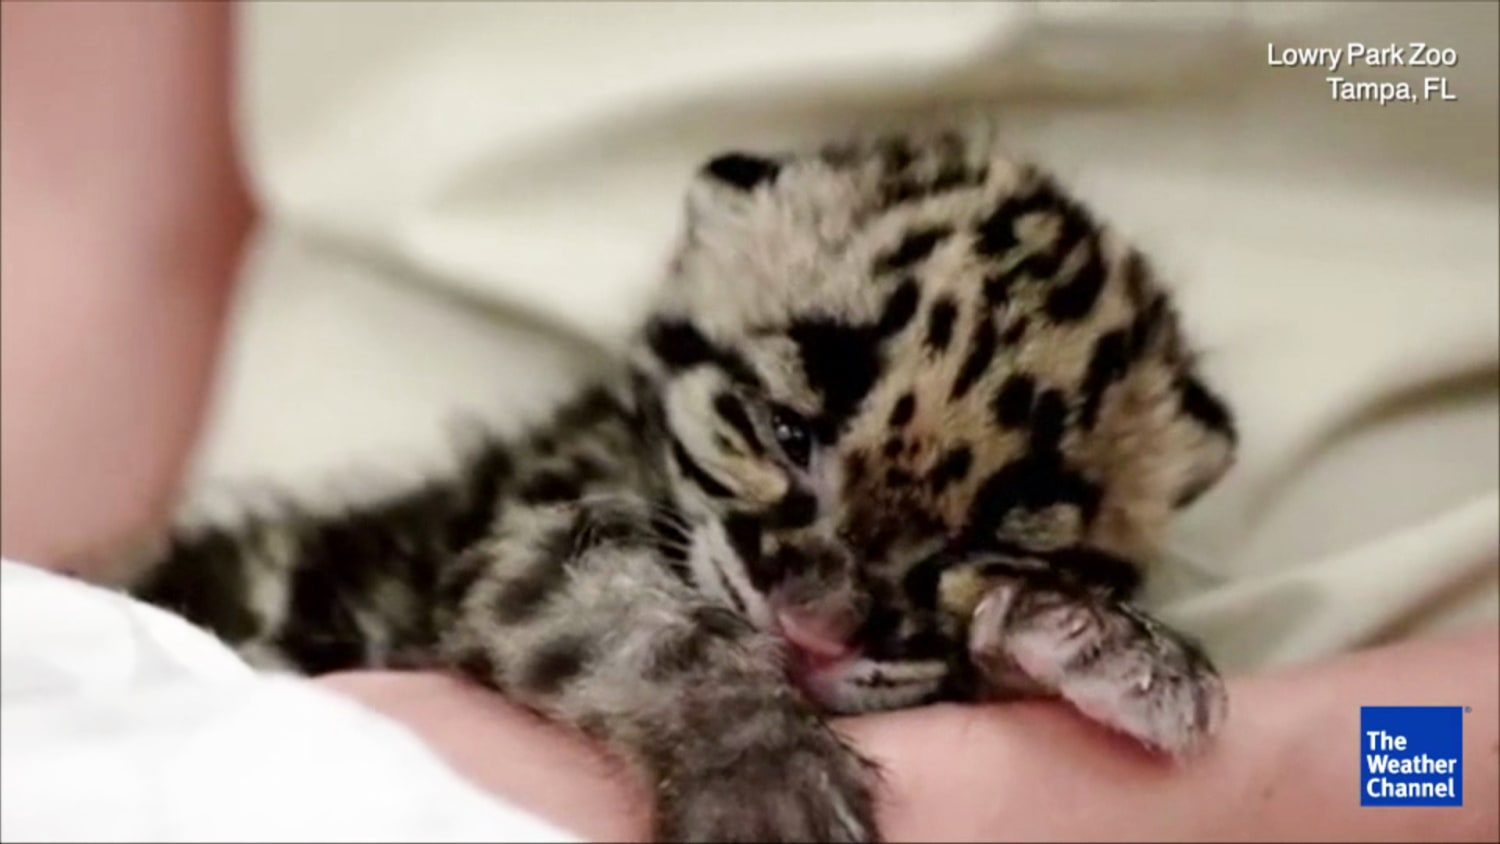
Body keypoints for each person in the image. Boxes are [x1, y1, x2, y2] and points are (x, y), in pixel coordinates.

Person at [2, 3, 1495, 842]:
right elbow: (85, 223)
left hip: (1353, 767)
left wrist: (1237, 781)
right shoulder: (633, 475)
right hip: (234, 701)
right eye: (782, 451)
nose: (824, 617)